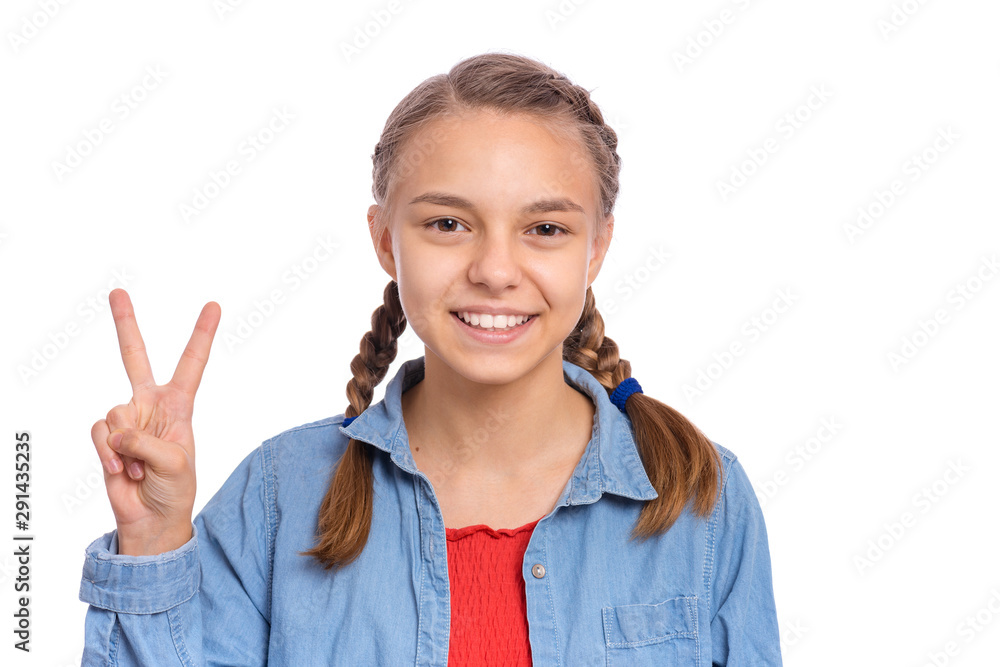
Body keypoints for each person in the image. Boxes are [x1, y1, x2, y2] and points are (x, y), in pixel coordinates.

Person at [79, 52, 782, 666]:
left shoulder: (702, 498)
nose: (496, 270)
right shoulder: (278, 495)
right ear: (386, 239)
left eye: (545, 228)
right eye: (448, 223)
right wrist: (151, 543)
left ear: (595, 246)